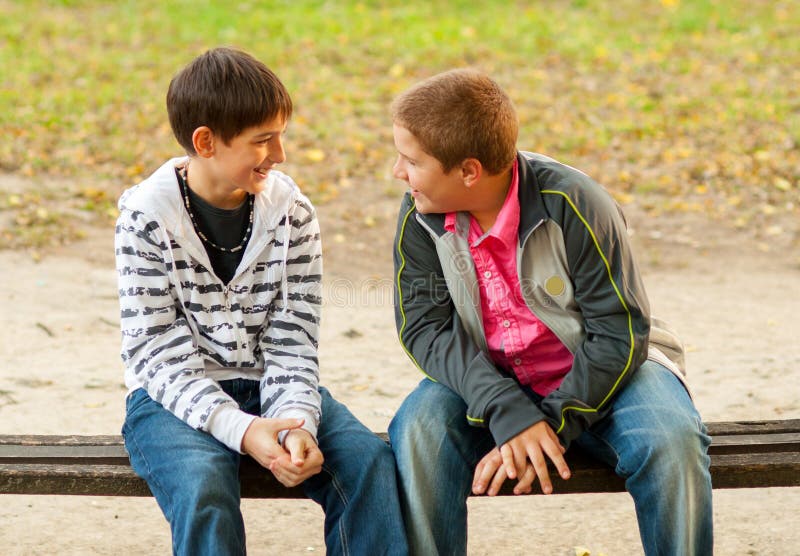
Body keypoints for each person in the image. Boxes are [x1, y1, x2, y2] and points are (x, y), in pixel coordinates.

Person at [387, 68, 712, 556]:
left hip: (605, 373)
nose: (398, 171)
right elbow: (425, 328)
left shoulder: (575, 203)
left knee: (672, 440)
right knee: (418, 432)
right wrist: (506, 408)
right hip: (489, 377)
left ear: (469, 171)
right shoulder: (421, 214)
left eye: (411, 161)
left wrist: (549, 424)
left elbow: (619, 331)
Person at [115, 47, 408, 556]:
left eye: (281, 135)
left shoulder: (293, 214)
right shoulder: (145, 218)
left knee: (368, 465)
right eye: (263, 140)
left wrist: (297, 423)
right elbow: (156, 352)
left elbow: (294, 337)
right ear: (205, 142)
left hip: (273, 385)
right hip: (171, 399)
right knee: (204, 486)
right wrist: (243, 429)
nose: (280, 154)